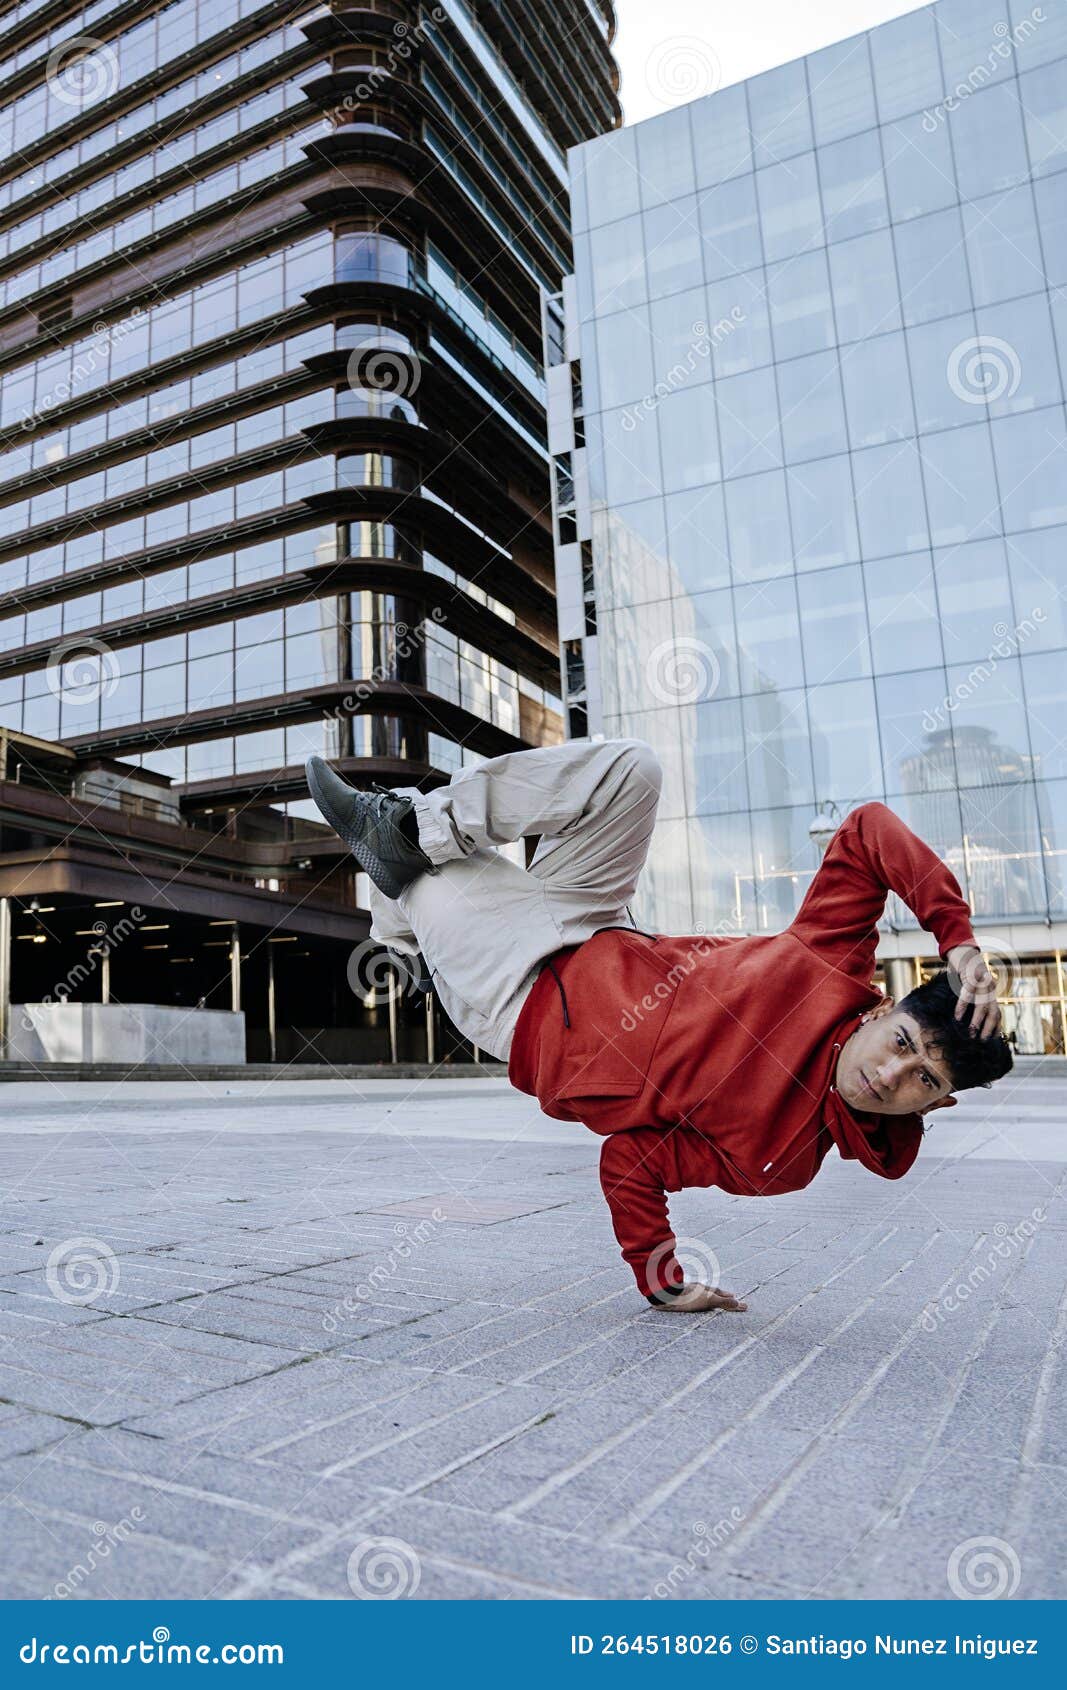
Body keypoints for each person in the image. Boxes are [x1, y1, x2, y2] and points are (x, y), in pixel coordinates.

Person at [306, 739, 1011, 1313]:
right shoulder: (831, 964)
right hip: (593, 928)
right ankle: (407, 841)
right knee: (631, 771)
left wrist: (660, 1279)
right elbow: (867, 830)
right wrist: (955, 937)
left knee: (417, 879)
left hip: (520, 1002)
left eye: (922, 1079)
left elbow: (631, 1164)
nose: (890, 1076)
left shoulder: (780, 1162)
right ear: (884, 1012)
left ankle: (410, 929)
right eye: (901, 1046)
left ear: (936, 1104)